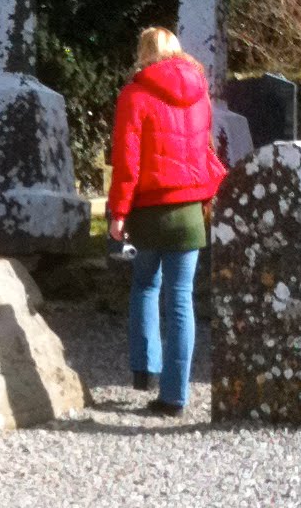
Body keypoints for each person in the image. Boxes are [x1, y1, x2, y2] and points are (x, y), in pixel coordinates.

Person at [107, 26, 227, 416]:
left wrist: (119, 212)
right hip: (190, 209)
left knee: (145, 285)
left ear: (143, 53)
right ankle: (175, 396)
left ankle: (145, 369)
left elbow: (128, 161)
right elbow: (204, 148)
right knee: (181, 299)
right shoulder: (199, 94)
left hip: (149, 209)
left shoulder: (134, 94)